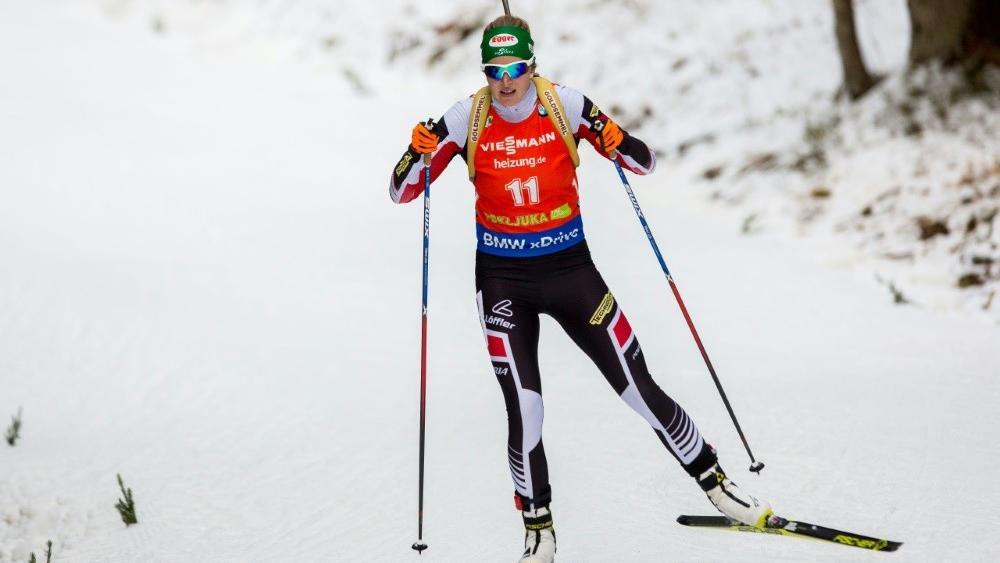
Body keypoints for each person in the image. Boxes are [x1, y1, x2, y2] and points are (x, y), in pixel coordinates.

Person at [390, 15, 771, 563]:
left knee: (638, 387)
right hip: (502, 279)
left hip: (571, 270)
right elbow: (401, 191)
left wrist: (618, 140)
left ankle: (717, 483)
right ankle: (538, 529)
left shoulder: (564, 105)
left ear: (532, 64)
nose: (506, 81)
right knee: (525, 411)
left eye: (516, 67)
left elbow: (644, 161)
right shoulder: (465, 117)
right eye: (494, 70)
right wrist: (416, 151)